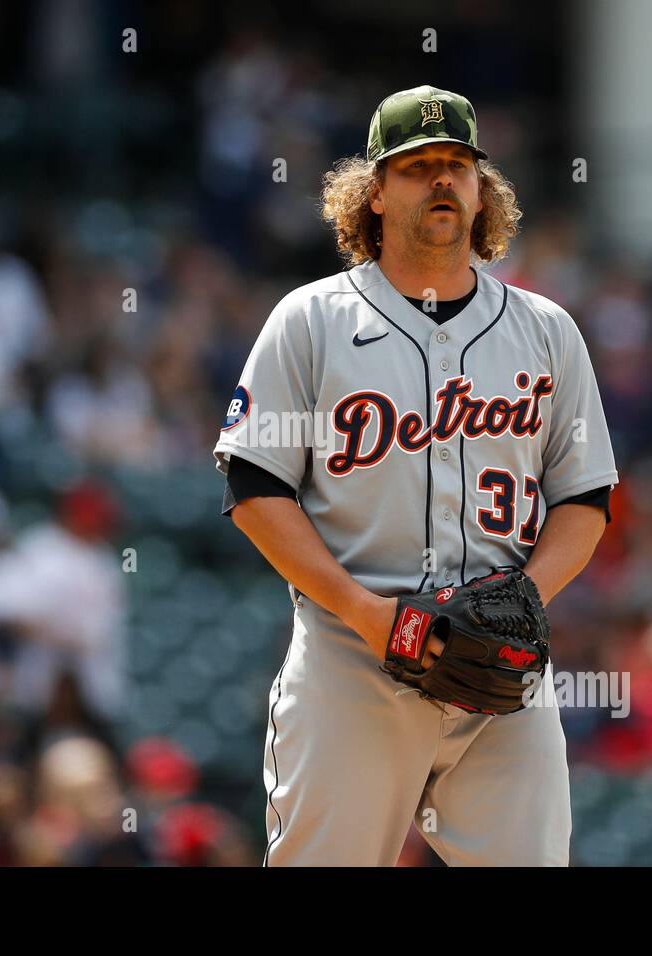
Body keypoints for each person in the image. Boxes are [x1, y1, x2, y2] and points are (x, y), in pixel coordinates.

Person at [213, 85, 618, 865]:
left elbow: (585, 497)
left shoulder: (546, 330)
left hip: (503, 664)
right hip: (351, 658)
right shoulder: (312, 319)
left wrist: (526, 598)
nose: (441, 180)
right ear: (372, 193)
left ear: (481, 188)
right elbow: (255, 489)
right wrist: (367, 614)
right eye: (416, 166)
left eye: (457, 165)